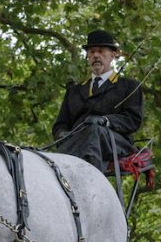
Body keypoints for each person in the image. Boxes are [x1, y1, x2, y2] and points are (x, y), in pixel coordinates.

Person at [52, 30, 143, 170]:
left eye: (101, 51)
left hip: (113, 141)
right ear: (87, 56)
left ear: (113, 55)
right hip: (77, 140)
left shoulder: (129, 86)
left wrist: (106, 120)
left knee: (94, 131)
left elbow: (133, 119)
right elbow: (60, 125)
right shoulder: (74, 91)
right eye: (92, 52)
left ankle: (89, 181)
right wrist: (62, 134)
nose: (96, 55)